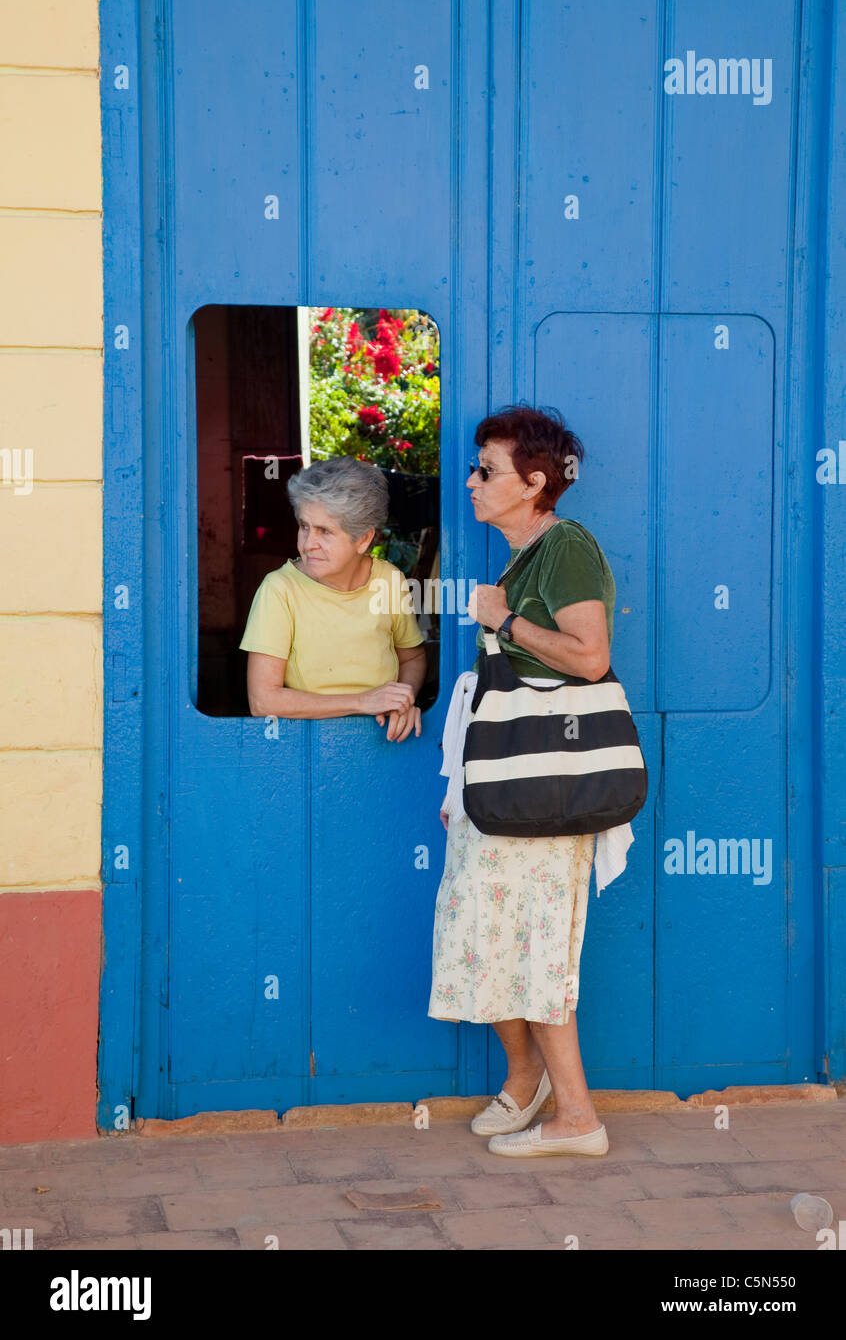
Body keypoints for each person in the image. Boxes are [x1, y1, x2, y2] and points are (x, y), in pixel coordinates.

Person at [428, 404, 629, 1157]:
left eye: (488, 470)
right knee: (485, 935)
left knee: (539, 945)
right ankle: (526, 1082)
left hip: (551, 787)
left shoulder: (566, 547)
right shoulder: (521, 556)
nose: (473, 482)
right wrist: (463, 791)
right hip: (507, 783)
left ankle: (579, 1119)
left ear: (533, 483)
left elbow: (589, 658)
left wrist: (505, 622)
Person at [239, 456, 426, 739]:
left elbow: (413, 659)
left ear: (363, 539)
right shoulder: (279, 589)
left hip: (384, 744)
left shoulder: (388, 580)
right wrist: (363, 701)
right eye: (304, 526)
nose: (308, 543)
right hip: (306, 749)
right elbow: (262, 700)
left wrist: (402, 700)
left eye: (324, 531)